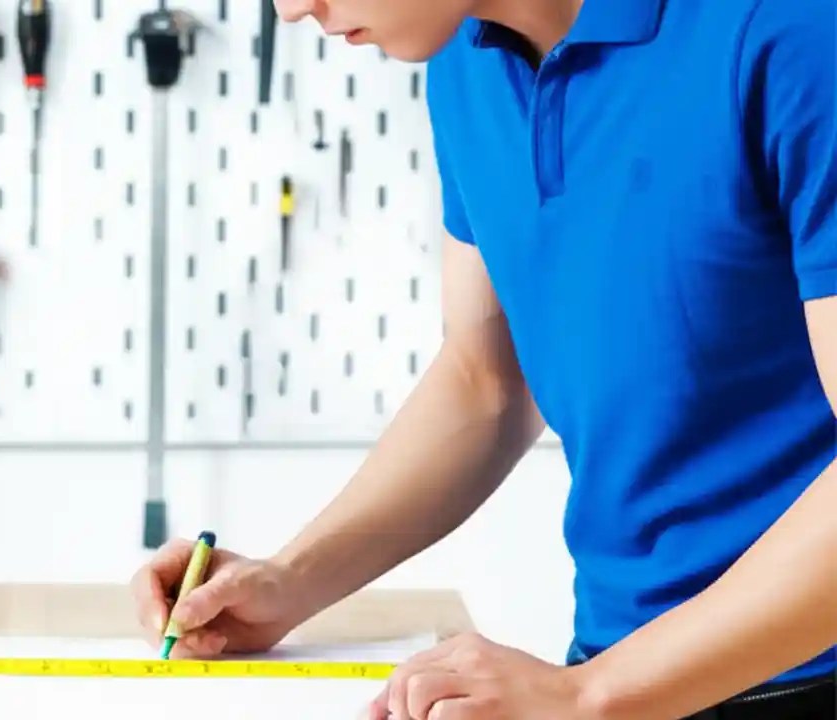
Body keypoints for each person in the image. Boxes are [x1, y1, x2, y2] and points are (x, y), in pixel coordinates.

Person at [130, 0, 837, 718]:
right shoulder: (466, 67)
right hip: (621, 673)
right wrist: (290, 582)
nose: (291, 9)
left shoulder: (792, 32)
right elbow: (485, 381)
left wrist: (586, 696)